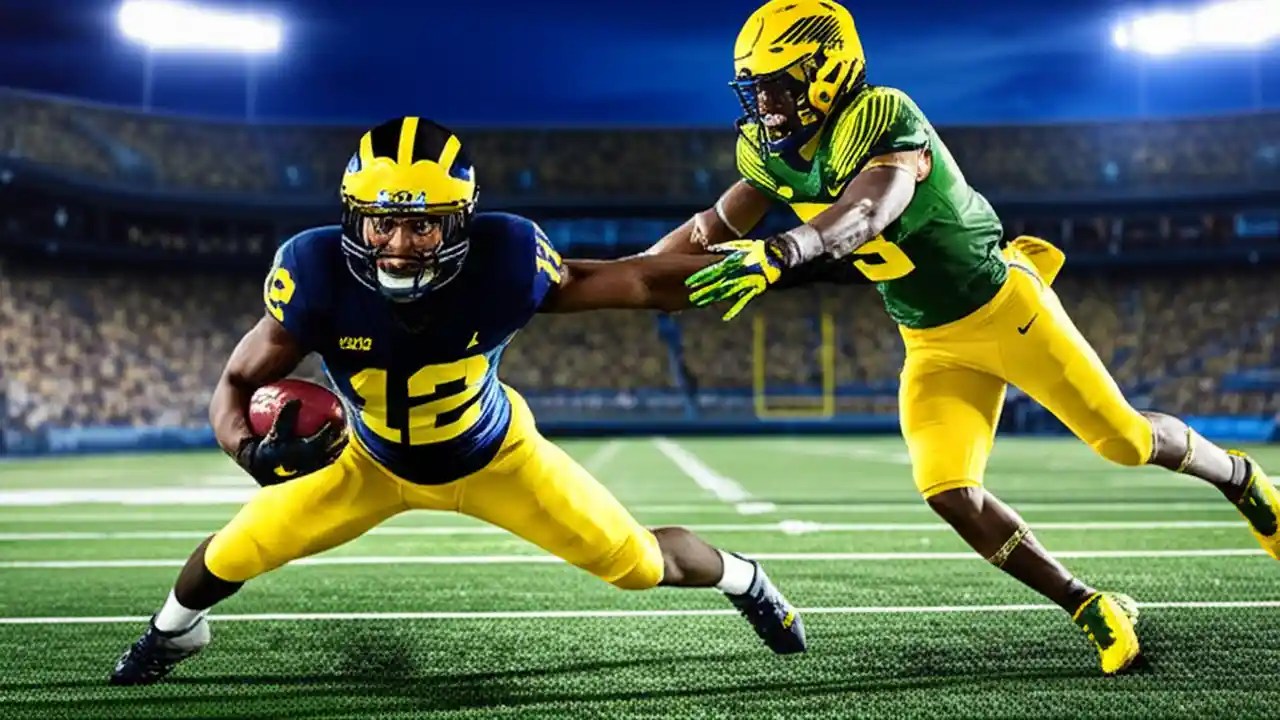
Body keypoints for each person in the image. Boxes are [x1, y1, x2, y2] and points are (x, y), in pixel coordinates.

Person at [657, 0, 1280, 675]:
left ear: (828, 69)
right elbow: (706, 230)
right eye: (757, 89)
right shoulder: (768, 155)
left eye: (781, 84)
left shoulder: (881, 114)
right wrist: (625, 276)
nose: (766, 105)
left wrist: (783, 251)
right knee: (949, 489)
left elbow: (868, 210)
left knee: (1124, 442)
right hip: (931, 340)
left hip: (1006, 310)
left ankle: (1243, 481)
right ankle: (1090, 605)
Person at [109, 117, 805, 686]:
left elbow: (642, 281)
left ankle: (745, 579)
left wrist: (768, 261)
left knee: (639, 565)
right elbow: (235, 383)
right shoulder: (314, 274)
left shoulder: (506, 261)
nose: (400, 245)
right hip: (366, 461)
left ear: (461, 224)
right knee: (229, 554)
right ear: (353, 217)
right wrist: (248, 450)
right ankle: (174, 631)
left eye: (424, 225)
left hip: (496, 456)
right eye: (382, 223)